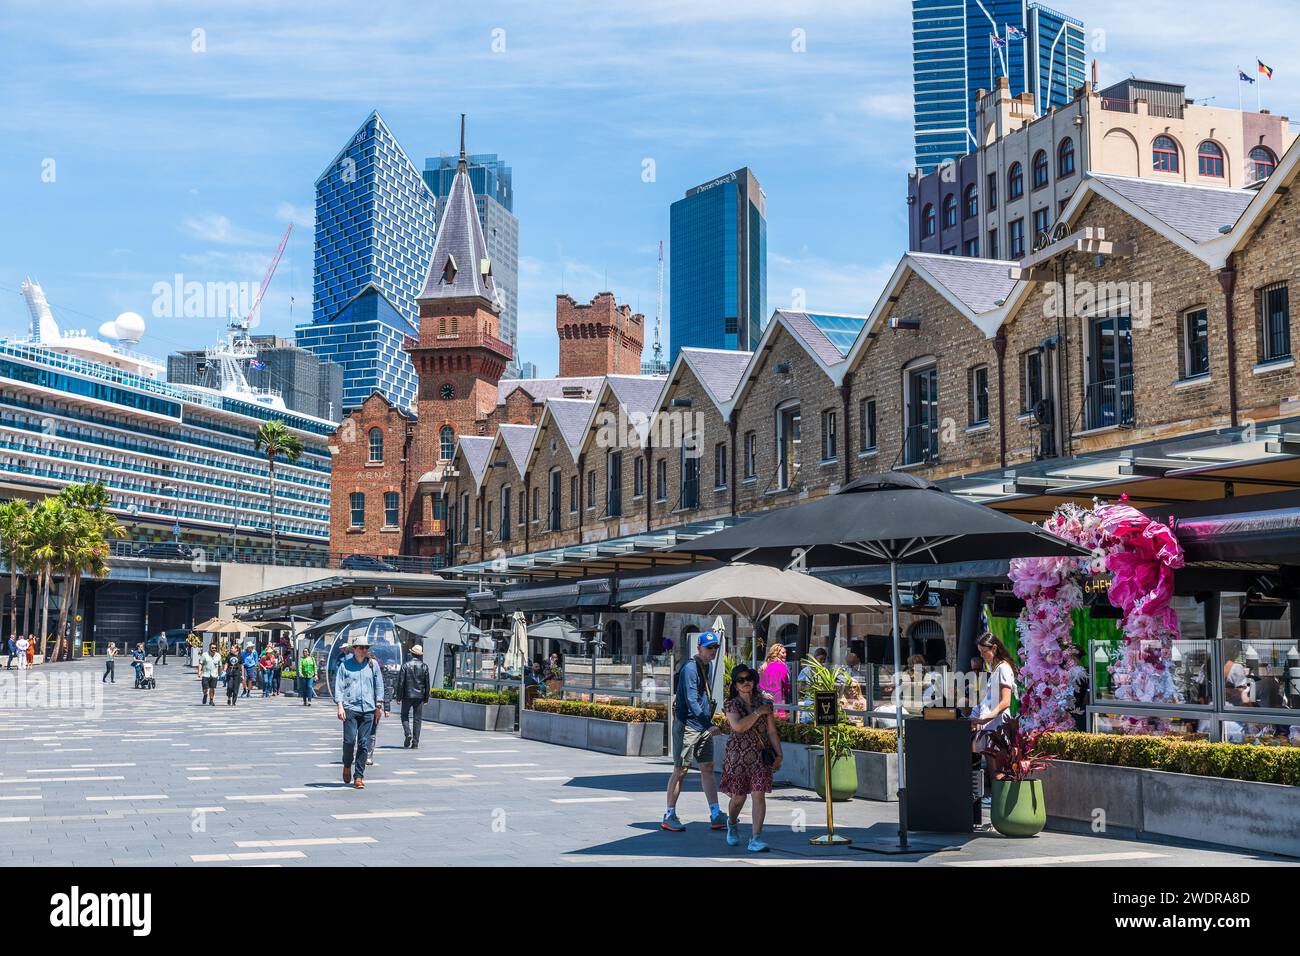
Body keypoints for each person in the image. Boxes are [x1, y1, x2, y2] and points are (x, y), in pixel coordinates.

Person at [662, 631, 726, 833]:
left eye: (715, 647)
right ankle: (669, 815)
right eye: (709, 648)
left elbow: (703, 697)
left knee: (707, 767)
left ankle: (715, 813)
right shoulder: (689, 668)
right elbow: (691, 700)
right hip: (688, 725)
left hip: (702, 725)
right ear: (699, 648)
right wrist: (708, 724)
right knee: (680, 770)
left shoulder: (709, 666)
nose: (713, 651)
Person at [719, 664, 782, 852]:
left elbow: (771, 731)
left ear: (754, 681)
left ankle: (756, 838)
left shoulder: (765, 703)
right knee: (738, 798)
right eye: (741, 680)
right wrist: (757, 713)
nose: (746, 682)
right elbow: (738, 727)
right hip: (738, 756)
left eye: (749, 679)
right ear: (735, 685)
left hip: (761, 755)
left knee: (758, 793)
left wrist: (779, 754)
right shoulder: (732, 704)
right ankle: (732, 822)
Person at [335, 634, 385, 790]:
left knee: (364, 744)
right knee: (349, 741)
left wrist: (379, 706)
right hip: (350, 708)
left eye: (366, 648)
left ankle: (358, 776)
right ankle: (347, 764)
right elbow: (339, 686)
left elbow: (379, 685)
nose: (364, 650)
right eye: (361, 647)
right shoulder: (345, 665)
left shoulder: (372, 665)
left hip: (368, 709)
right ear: (354, 649)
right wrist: (340, 706)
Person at [394, 643, 431, 749]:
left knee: (404, 715)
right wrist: (426, 698)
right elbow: (427, 684)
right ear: (420, 655)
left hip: (407, 696)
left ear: (411, 654)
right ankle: (415, 743)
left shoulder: (405, 666)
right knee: (417, 719)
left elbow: (400, 683)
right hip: (419, 697)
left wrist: (398, 697)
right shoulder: (424, 666)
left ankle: (407, 733)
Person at [759, 643, 791, 719]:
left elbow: (760, 685)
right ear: (776, 653)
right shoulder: (780, 666)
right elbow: (785, 686)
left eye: (785, 652)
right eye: (783, 653)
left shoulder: (765, 666)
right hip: (779, 702)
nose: (785, 655)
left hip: (765, 701)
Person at [197, 641, 222, 706]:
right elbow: (201, 663)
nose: (214, 649)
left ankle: (211, 700)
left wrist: (220, 674)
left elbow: (220, 665)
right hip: (206, 674)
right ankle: (205, 695)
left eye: (215, 648)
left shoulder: (218, 656)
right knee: (205, 688)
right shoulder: (204, 655)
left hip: (214, 675)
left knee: (212, 688)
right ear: (209, 648)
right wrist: (199, 672)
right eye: (212, 648)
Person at [224, 642, 243, 706]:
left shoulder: (240, 656)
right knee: (229, 687)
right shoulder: (229, 655)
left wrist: (242, 675)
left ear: (236, 649)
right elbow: (226, 663)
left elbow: (242, 666)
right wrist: (224, 671)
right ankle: (229, 698)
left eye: (232, 648)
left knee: (236, 688)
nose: (231, 649)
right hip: (230, 673)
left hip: (237, 673)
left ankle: (234, 701)